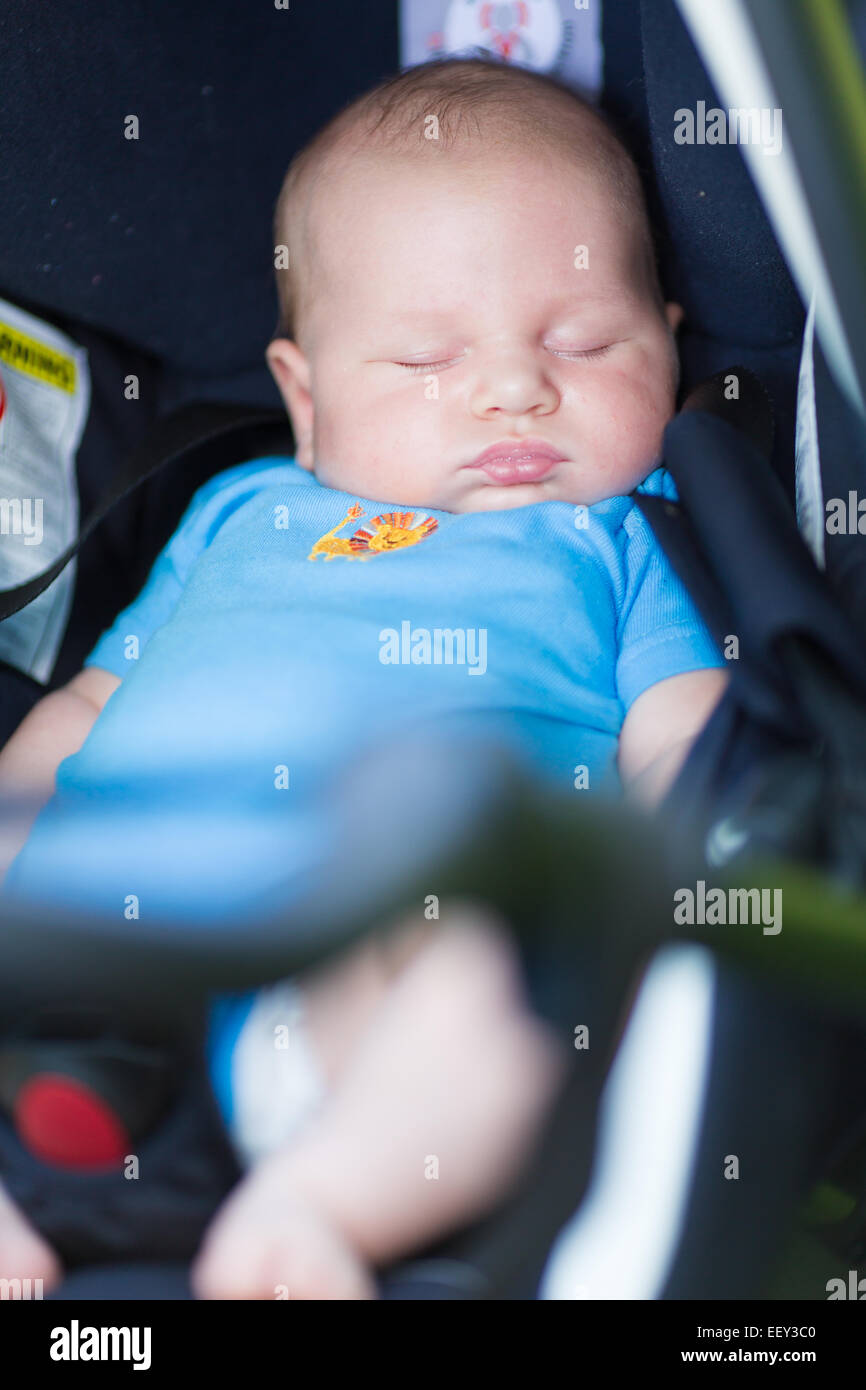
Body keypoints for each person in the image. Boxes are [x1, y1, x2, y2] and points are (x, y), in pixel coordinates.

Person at [0, 57, 729, 1298]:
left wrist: (688, 879)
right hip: (113, 912)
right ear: (305, 396)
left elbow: (687, 735)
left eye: (582, 341)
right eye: (421, 361)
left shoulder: (621, 536)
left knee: (492, 1002)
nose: (513, 386)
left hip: (386, 949)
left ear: (665, 352)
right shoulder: (240, 509)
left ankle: (318, 1202)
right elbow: (89, 700)